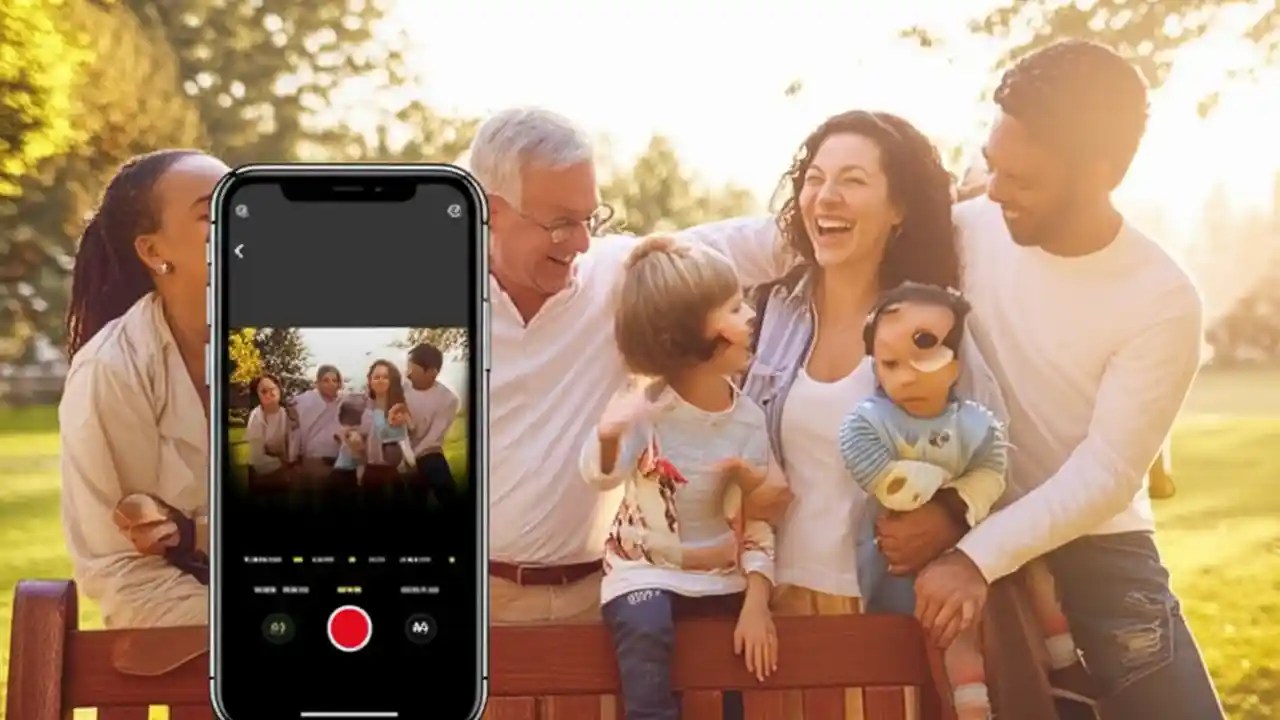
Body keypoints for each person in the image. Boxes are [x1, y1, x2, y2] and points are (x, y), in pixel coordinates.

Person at [913, 39, 1225, 719]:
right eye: (994, 167)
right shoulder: (970, 229)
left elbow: (1108, 473)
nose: (993, 191)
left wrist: (975, 560)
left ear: (1099, 174)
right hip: (956, 511)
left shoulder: (1162, 297)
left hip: (1095, 544)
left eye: (1022, 179)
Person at [475, 106, 790, 717]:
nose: (584, 241)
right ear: (489, 208)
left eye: (591, 217)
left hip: (598, 601)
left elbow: (756, 245)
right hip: (476, 604)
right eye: (561, 222)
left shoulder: (615, 274)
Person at [739, 110, 1007, 719]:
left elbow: (996, 454)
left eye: (853, 180)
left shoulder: (934, 326)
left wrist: (948, 515)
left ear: (899, 209)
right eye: (814, 177)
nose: (825, 197)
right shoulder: (770, 314)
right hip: (772, 616)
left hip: (885, 612)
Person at [839, 283, 1082, 720]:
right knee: (951, 625)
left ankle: (1063, 653)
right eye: (890, 364)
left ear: (956, 366)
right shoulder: (872, 419)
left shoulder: (973, 423)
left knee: (1033, 568)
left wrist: (958, 503)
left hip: (972, 534)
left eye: (924, 355)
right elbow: (866, 461)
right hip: (903, 552)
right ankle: (972, 705)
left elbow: (992, 470)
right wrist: (914, 484)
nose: (907, 376)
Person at [579, 236, 778, 719]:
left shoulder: (749, 420)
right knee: (646, 626)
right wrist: (610, 435)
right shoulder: (646, 411)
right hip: (642, 574)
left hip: (720, 581)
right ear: (682, 335)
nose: (751, 316)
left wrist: (757, 601)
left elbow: (757, 519)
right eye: (733, 308)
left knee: (730, 666)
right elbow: (600, 476)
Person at [59, 149, 229, 628]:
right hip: (198, 668)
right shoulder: (110, 371)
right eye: (211, 210)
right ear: (155, 252)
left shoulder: (297, 347)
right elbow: (123, 573)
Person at [403, 342, 461, 507]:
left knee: (440, 479)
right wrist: (405, 458)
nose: (408, 374)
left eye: (413, 369)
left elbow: (432, 438)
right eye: (408, 367)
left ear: (432, 372)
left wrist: (412, 461)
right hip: (402, 449)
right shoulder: (401, 389)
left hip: (428, 453)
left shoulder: (448, 399)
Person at [291, 365, 346, 483]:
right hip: (314, 462)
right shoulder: (305, 401)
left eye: (334, 381)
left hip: (339, 463)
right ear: (318, 383)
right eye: (326, 380)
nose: (331, 384)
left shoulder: (344, 403)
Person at [244, 373, 295, 490]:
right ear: (257, 395)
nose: (269, 394)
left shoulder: (288, 414)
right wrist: (282, 462)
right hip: (261, 473)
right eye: (263, 392)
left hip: (289, 472)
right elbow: (257, 458)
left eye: (272, 389)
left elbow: (294, 447)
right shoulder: (256, 416)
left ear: (279, 390)